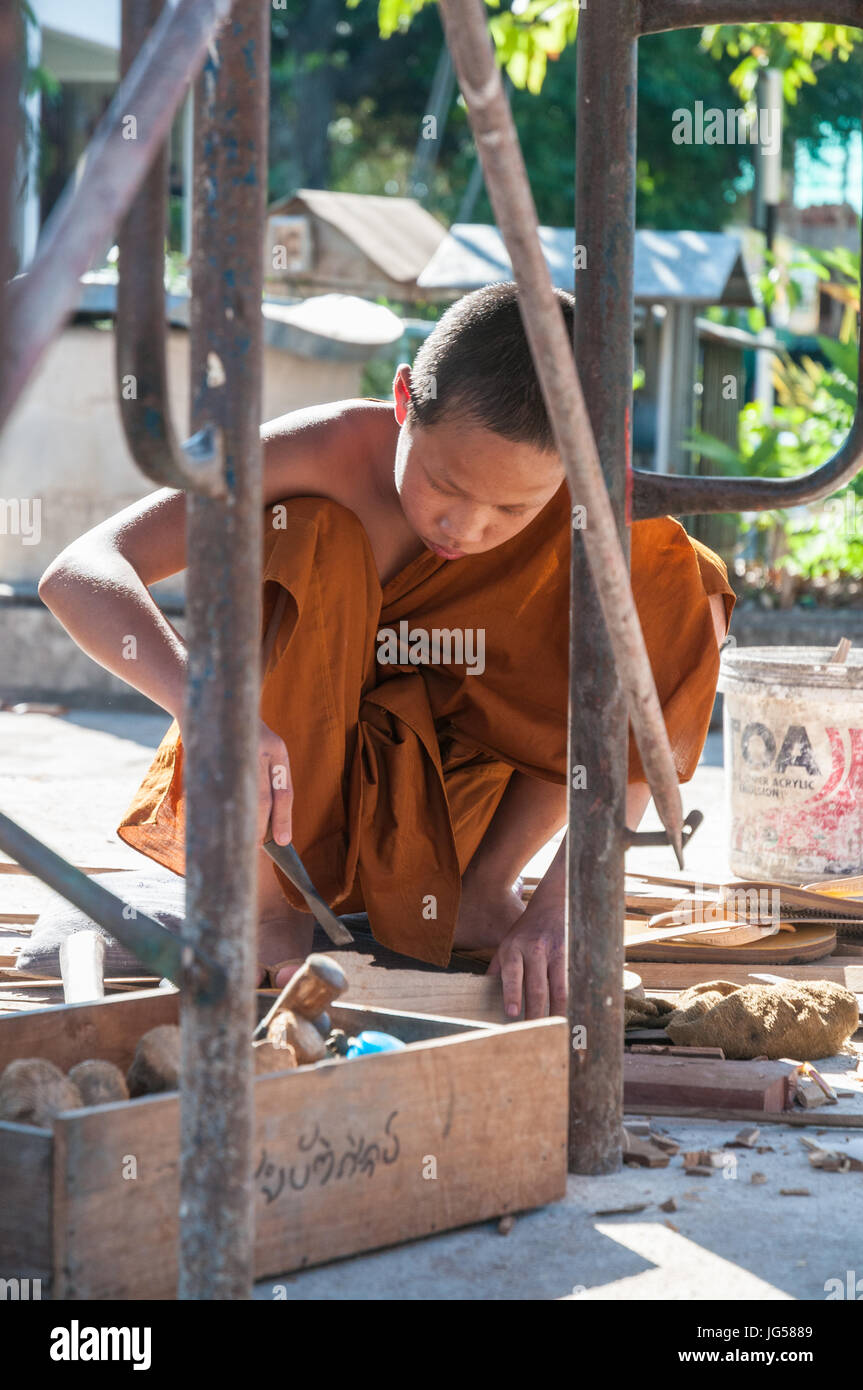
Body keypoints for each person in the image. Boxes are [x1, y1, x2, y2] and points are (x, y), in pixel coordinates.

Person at [38, 283, 733, 1019]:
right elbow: (83, 569)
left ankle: (482, 889)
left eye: (512, 509)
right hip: (285, 816)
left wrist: (566, 908)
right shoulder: (328, 450)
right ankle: (270, 911)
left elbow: (637, 727)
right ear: (403, 399)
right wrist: (209, 708)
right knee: (309, 533)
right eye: (444, 483)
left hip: (450, 820)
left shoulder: (581, 508)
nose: (465, 526)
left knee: (678, 576)